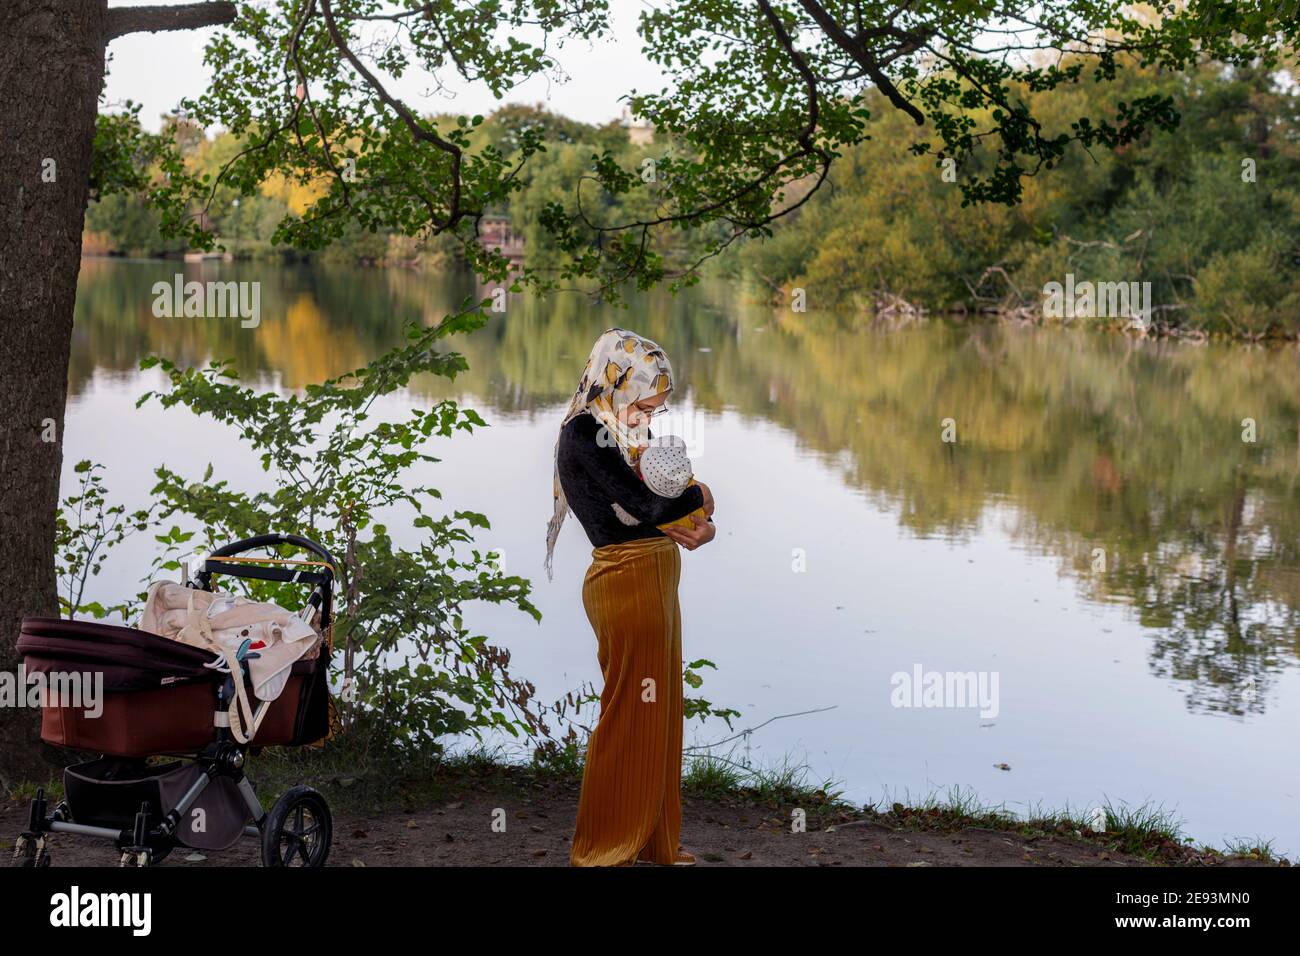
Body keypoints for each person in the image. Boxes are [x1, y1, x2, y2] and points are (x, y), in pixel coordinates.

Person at [544, 327, 716, 866]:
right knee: (628, 714)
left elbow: (674, 502)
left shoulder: (621, 433)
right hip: (626, 580)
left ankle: (651, 839)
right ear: (615, 382)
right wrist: (703, 497)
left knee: (662, 713)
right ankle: (604, 846)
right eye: (644, 403)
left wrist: (703, 524)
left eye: (656, 409)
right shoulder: (583, 435)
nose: (648, 417)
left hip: (659, 579)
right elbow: (651, 505)